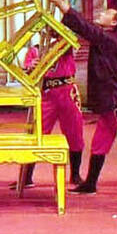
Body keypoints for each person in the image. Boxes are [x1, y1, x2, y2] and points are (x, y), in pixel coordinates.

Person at [46, 0, 117, 200]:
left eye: (106, 14)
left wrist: (61, 4)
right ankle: (91, 183)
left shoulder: (108, 39)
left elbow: (86, 28)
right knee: (100, 143)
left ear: (114, 23)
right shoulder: (105, 39)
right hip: (107, 103)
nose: (101, 14)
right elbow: (86, 29)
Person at [11, 33, 85, 190]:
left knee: (75, 132)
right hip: (45, 94)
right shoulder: (34, 51)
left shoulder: (65, 45)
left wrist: (58, 34)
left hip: (67, 91)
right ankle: (27, 176)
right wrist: (31, 67)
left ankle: (76, 174)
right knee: (36, 133)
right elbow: (28, 76)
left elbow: (70, 39)